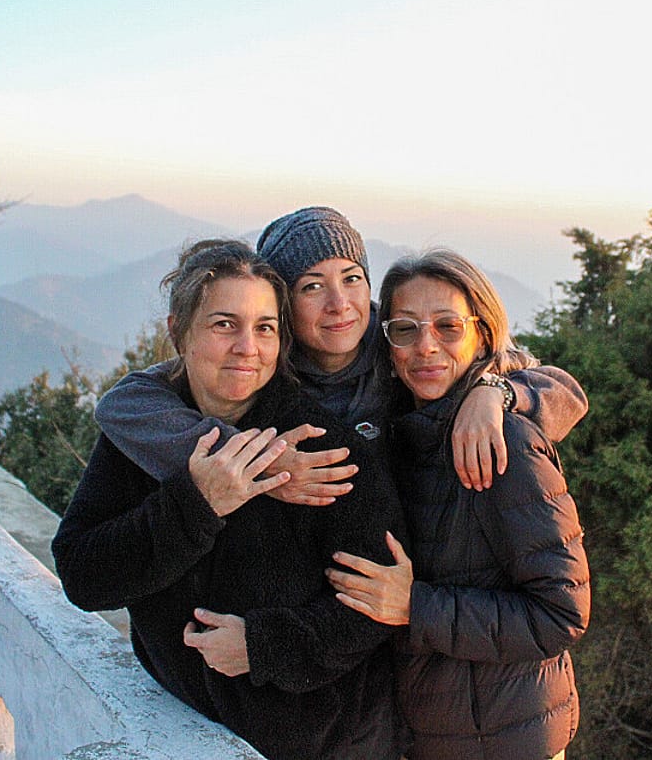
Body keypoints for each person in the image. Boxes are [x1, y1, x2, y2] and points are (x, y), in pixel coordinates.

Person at [51, 240, 410, 760]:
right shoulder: (139, 438)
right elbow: (82, 575)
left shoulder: (321, 449)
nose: (247, 346)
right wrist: (197, 502)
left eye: (265, 327)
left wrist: (264, 646)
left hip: (324, 743)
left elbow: (375, 605)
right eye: (225, 324)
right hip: (177, 724)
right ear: (178, 331)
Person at [94, 206, 588, 504]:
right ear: (285, 305)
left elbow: (559, 387)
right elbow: (124, 404)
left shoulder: (396, 343)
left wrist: (493, 392)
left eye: (352, 278)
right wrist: (259, 464)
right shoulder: (261, 366)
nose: (340, 305)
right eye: (313, 286)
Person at [326, 248, 591, 760]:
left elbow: (561, 614)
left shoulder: (501, 440)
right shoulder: (404, 430)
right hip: (434, 735)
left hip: (507, 743)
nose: (425, 346)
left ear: (482, 333)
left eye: (448, 326)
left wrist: (413, 606)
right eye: (405, 329)